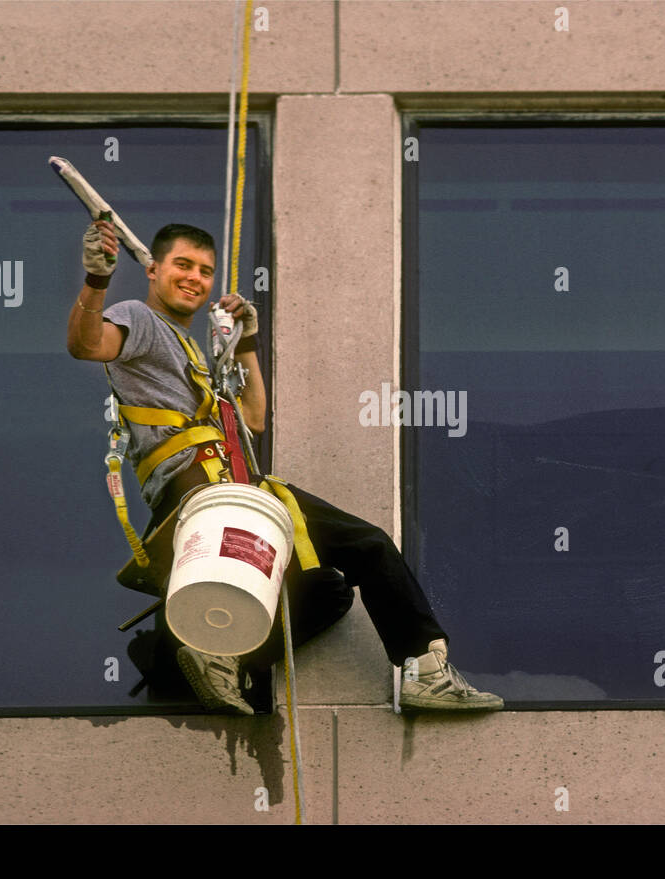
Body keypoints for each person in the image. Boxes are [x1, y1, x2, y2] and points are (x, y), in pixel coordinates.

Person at [67, 218, 503, 715]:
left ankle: (222, 657)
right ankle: (423, 670)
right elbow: (87, 345)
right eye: (182, 265)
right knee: (368, 544)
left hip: (236, 491)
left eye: (205, 271)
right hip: (205, 489)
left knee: (326, 591)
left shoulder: (197, 351)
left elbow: (252, 417)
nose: (194, 278)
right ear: (152, 269)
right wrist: (97, 281)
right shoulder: (140, 320)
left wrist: (246, 341)